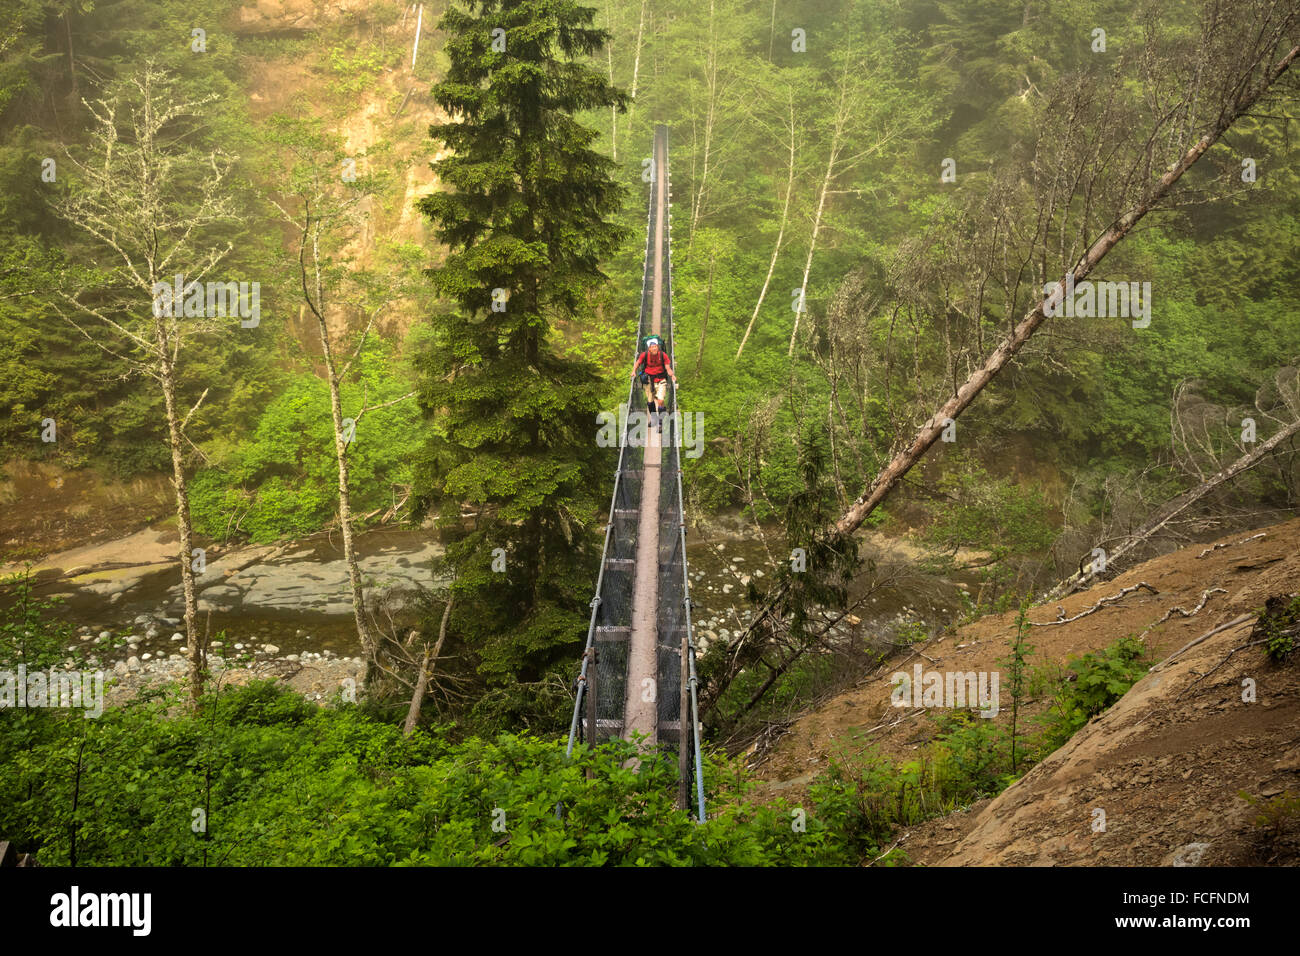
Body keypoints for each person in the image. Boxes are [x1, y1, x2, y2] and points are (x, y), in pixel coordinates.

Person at [631, 335, 677, 432]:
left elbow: (668, 367)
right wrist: (633, 371)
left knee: (660, 400)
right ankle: (654, 418)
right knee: (650, 401)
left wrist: (672, 375)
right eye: (653, 347)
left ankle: (660, 423)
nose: (655, 348)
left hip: (661, 380)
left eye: (656, 346)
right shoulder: (645, 355)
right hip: (648, 380)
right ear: (649, 348)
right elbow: (638, 363)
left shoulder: (662, 355)